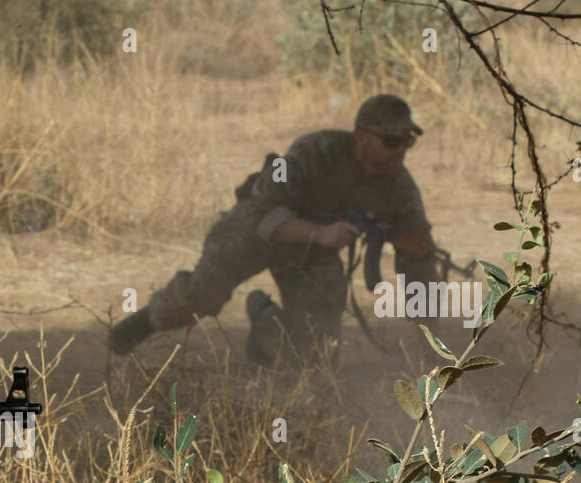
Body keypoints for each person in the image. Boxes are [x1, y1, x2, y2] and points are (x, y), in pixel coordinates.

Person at [110, 94, 442, 364]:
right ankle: (146, 321)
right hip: (255, 233)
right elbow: (261, 214)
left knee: (316, 353)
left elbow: (417, 255)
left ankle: (263, 322)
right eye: (391, 141)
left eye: (407, 141)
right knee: (199, 298)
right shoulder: (311, 152)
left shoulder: (400, 188)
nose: (401, 150)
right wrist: (320, 233)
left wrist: (430, 340)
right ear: (362, 137)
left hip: (310, 253)